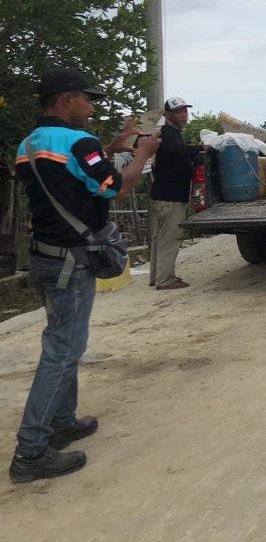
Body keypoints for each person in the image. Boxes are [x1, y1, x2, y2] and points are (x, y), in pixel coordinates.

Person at [10, 69, 160, 483]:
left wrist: (111, 147)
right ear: (66, 100)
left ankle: (62, 421)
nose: (91, 107)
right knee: (61, 350)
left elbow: (69, 183)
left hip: (45, 254)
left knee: (66, 344)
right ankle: (31, 452)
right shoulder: (79, 142)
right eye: (86, 100)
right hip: (71, 260)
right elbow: (115, 189)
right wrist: (143, 152)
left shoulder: (28, 144)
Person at [149, 96, 202, 290]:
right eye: (179, 112)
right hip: (170, 198)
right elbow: (177, 150)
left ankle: (157, 277)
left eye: (185, 112)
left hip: (163, 196)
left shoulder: (172, 132)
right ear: (168, 115)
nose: (184, 115)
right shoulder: (168, 132)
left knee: (160, 238)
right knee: (170, 238)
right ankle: (165, 280)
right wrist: (200, 148)